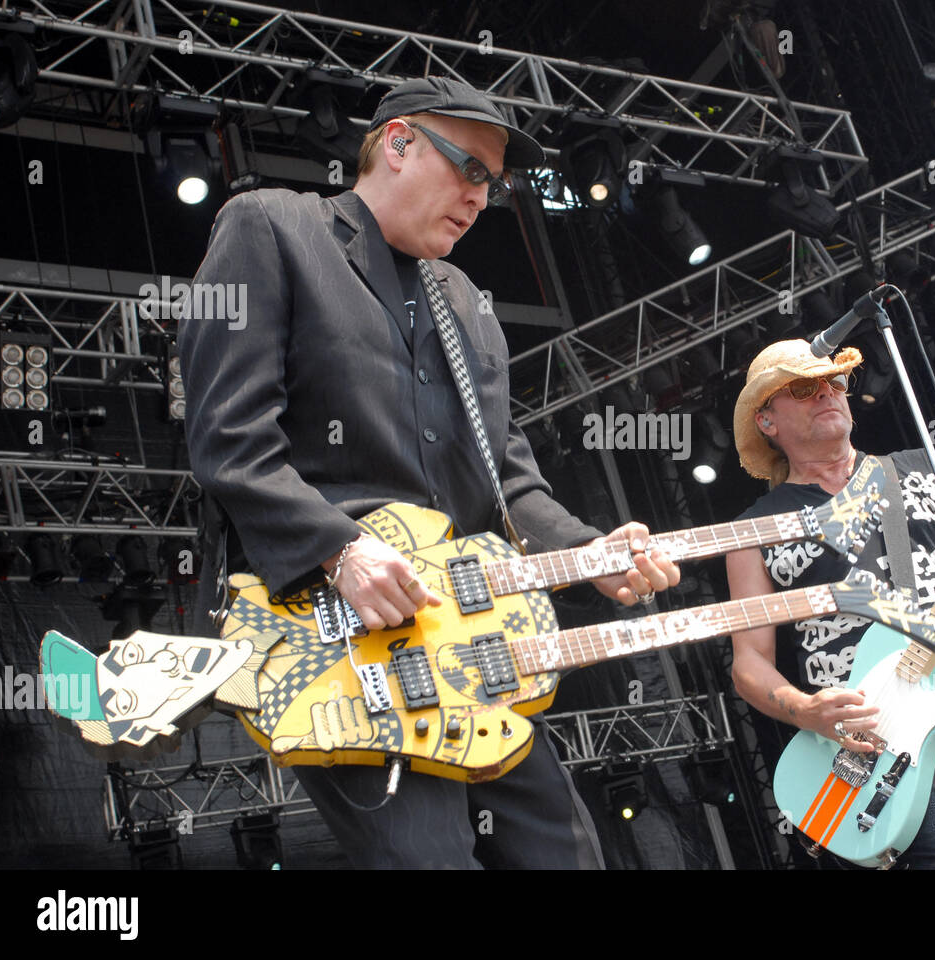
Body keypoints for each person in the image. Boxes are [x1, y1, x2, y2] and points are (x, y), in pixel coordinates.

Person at [179, 77, 680, 868]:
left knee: (571, 857)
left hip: (472, 651)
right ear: (400, 143)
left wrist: (596, 553)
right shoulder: (271, 225)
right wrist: (338, 548)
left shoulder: (468, 304)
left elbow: (508, 488)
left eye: (496, 181)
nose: (484, 197)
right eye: (470, 168)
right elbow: (228, 441)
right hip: (336, 645)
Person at [725, 338, 935, 869]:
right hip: (870, 739)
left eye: (835, 381)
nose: (828, 394)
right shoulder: (755, 528)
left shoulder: (924, 466)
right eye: (804, 387)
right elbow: (749, 663)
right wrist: (808, 711)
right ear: (767, 421)